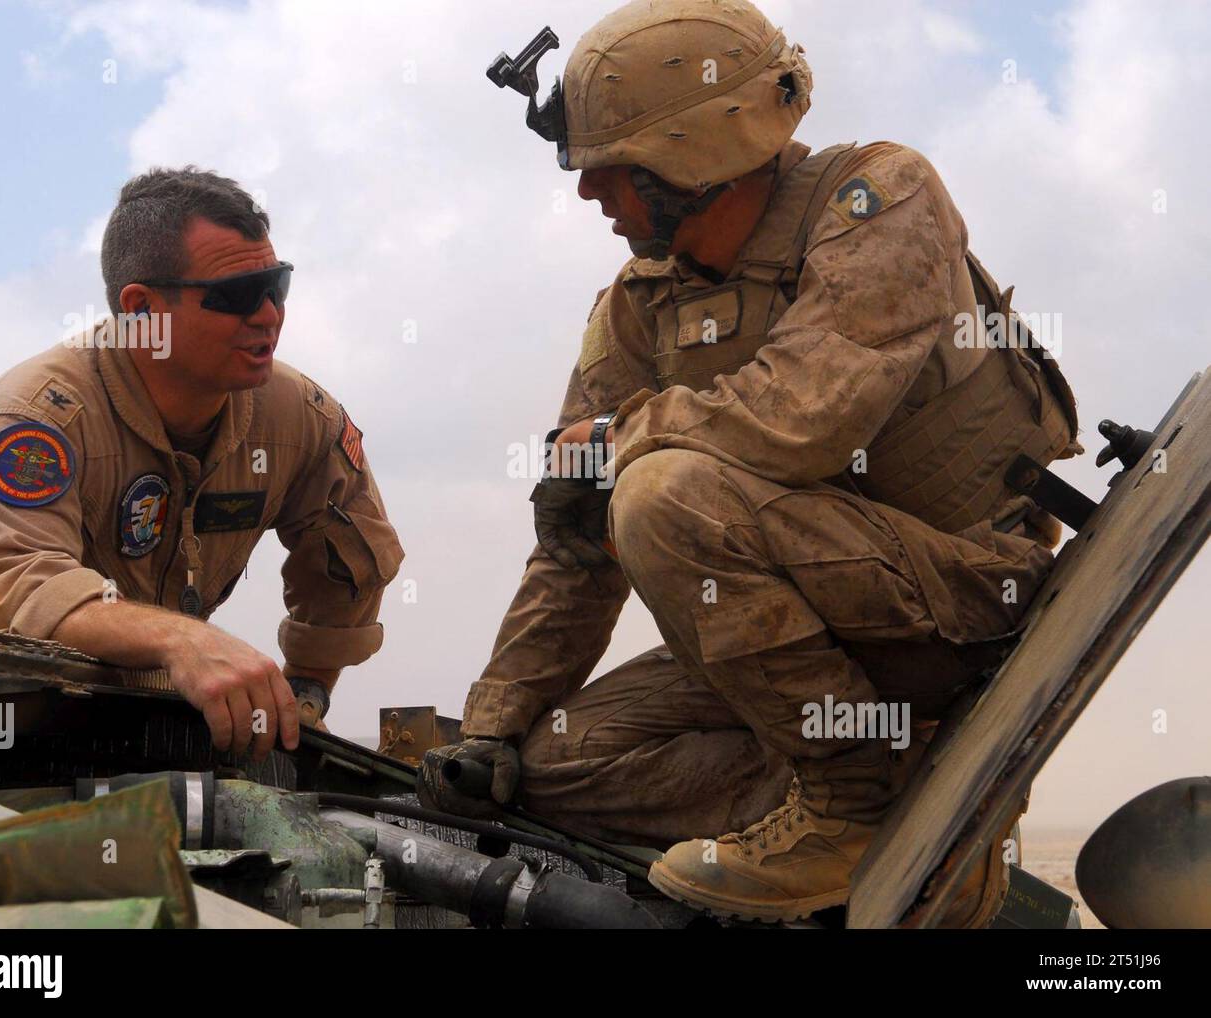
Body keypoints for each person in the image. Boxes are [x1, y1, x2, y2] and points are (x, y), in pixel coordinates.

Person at [419, 0, 1079, 926]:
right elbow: (576, 547)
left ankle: (856, 803)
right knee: (550, 764)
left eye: (612, 170)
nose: (586, 197)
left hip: (958, 598)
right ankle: (902, 806)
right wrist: (490, 726)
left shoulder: (877, 198)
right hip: (807, 642)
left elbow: (808, 415)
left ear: (692, 153)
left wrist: (620, 443)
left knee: (658, 495)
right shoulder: (638, 307)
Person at [0, 166, 403, 762]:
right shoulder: (37, 421)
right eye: (235, 296)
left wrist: (305, 696)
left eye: (276, 287)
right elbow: (1, 585)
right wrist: (184, 641)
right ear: (143, 309)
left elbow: (351, 560)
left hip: (129, 714)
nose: (268, 316)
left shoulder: (299, 419)